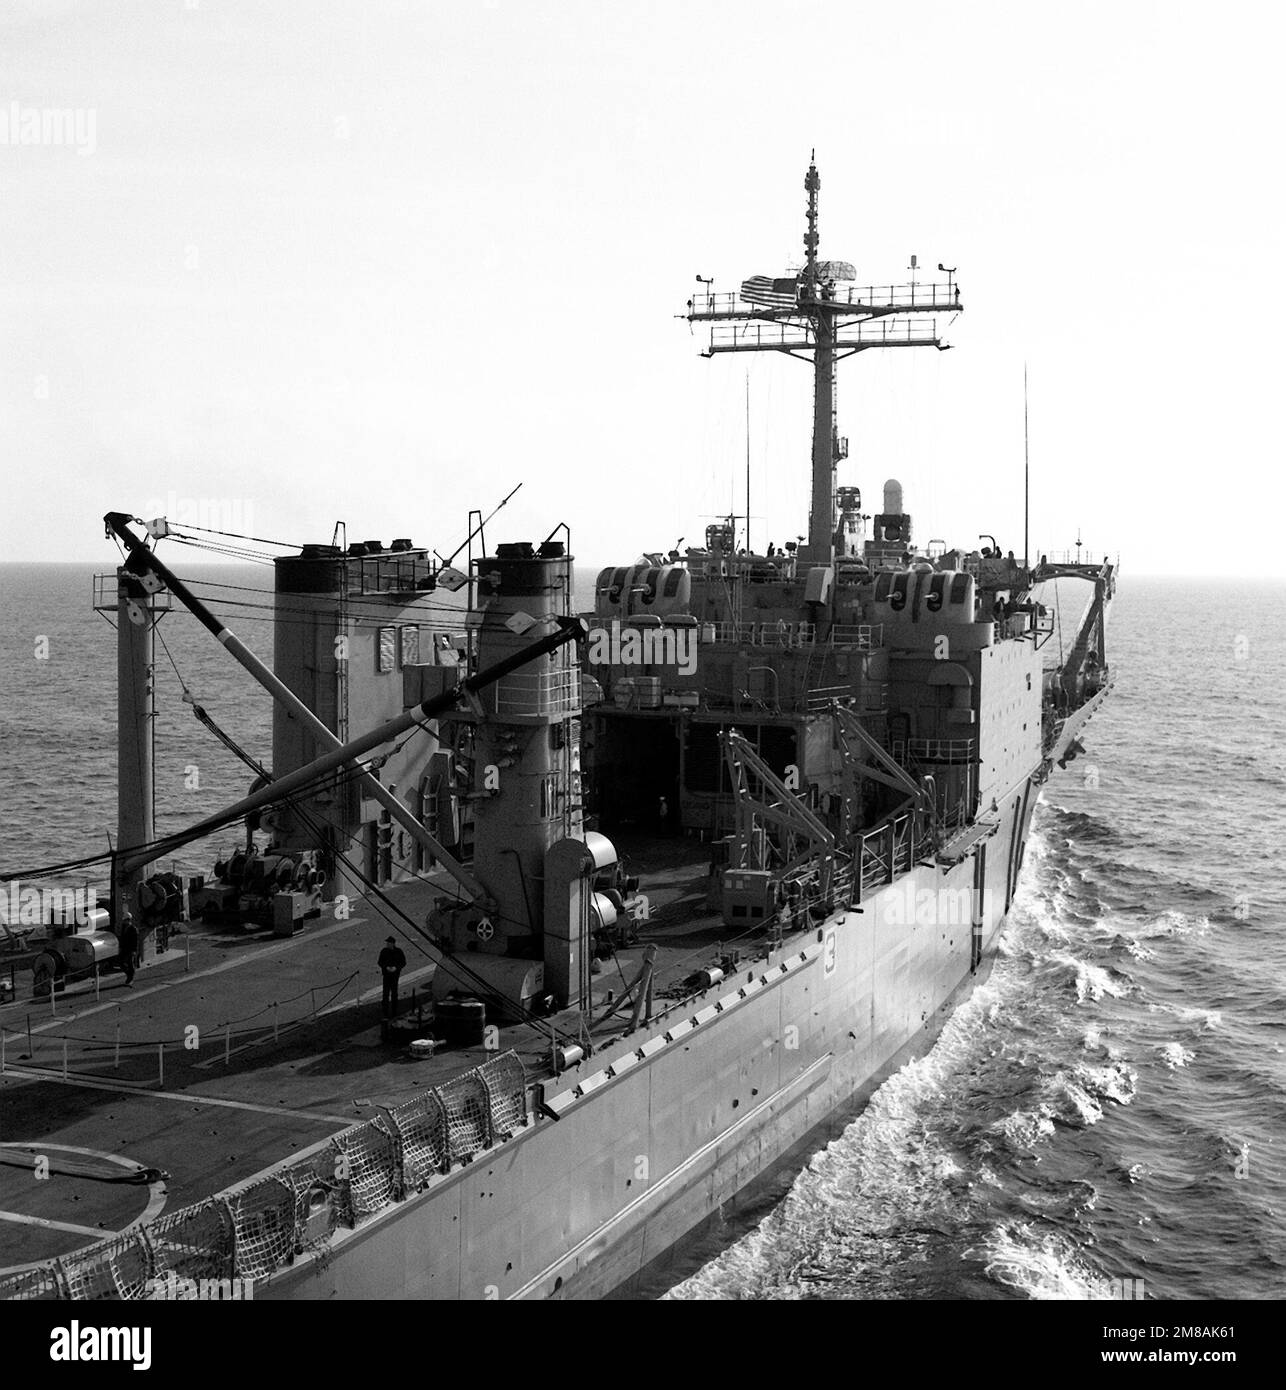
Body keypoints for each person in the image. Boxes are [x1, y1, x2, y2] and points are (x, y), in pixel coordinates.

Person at [378, 935, 406, 1019]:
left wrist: (396, 968)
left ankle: (394, 1011)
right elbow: (380, 962)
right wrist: (386, 967)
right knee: (385, 994)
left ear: (393, 943)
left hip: (394, 975)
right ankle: (385, 1011)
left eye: (389, 943)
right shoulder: (384, 951)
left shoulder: (398, 952)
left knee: (394, 993)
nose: (387, 944)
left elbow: (403, 962)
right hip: (387, 975)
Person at [117, 912, 138, 986]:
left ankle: (130, 977)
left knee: (130, 963)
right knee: (121, 962)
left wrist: (134, 951)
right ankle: (129, 975)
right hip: (124, 948)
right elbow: (122, 938)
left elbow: (135, 941)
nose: (124, 921)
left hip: (130, 949)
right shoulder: (124, 927)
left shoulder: (133, 929)